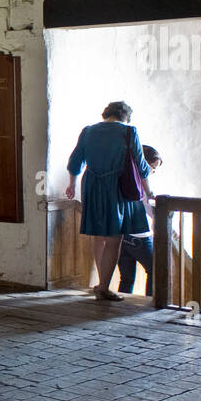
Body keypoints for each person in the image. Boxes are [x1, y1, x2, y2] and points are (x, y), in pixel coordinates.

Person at [65, 100, 155, 300]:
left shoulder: (88, 131)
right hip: (116, 186)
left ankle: (101, 283)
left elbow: (75, 162)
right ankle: (104, 288)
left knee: (99, 236)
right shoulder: (129, 131)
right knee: (114, 239)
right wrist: (149, 193)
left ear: (106, 114)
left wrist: (72, 184)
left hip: (91, 185)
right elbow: (141, 167)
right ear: (126, 116)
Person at [119, 145, 163, 295]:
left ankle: (120, 307)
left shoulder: (123, 178)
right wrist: (163, 224)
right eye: (152, 167)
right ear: (143, 163)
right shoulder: (142, 184)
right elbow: (149, 209)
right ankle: (150, 303)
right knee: (155, 270)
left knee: (126, 278)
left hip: (122, 235)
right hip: (140, 236)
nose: (154, 171)